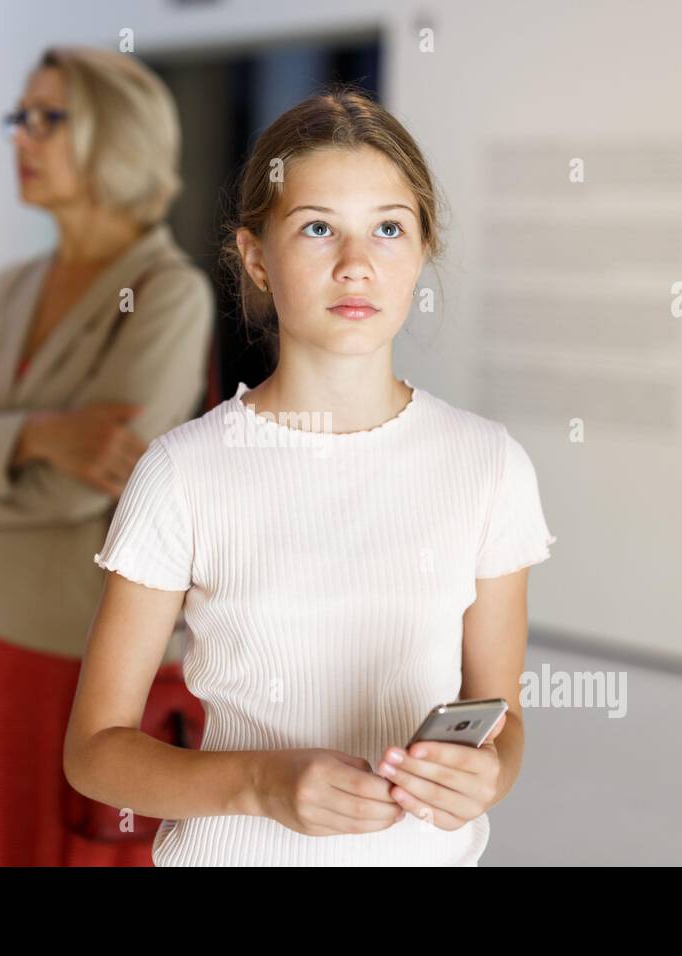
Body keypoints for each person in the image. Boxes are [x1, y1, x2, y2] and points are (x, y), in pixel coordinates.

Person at [65, 85, 558, 866]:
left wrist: (486, 777)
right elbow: (94, 752)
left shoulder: (489, 464)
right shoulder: (182, 473)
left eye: (389, 230)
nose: (357, 265)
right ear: (256, 257)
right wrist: (260, 784)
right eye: (318, 228)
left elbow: (505, 720)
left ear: (423, 250)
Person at [0, 46, 214, 866]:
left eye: (50, 118)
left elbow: (89, 489)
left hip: (80, 644)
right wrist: (39, 436)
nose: (22, 138)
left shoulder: (167, 292)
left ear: (121, 136)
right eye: (20, 118)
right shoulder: (12, 288)